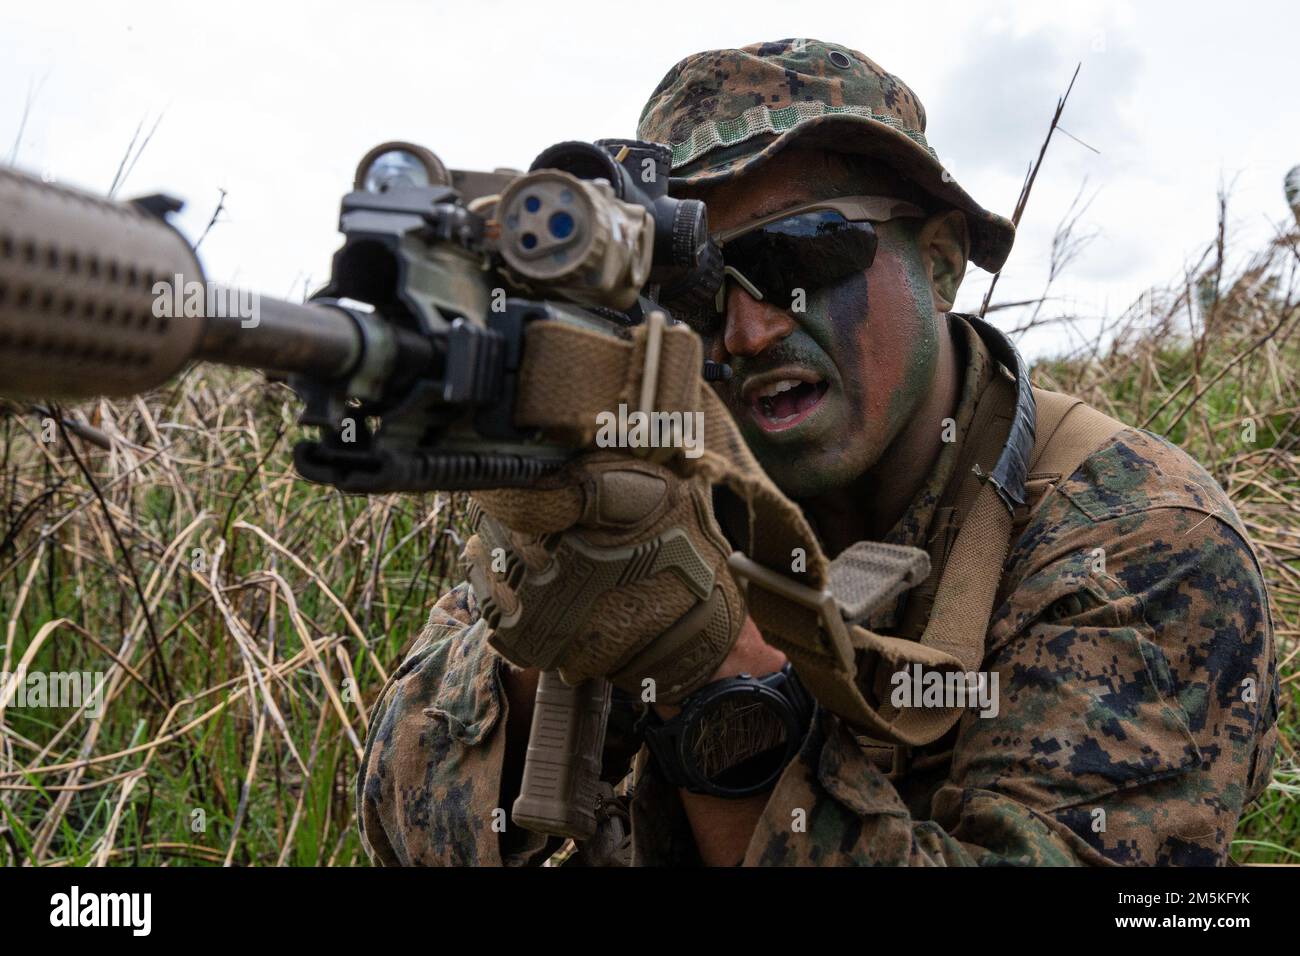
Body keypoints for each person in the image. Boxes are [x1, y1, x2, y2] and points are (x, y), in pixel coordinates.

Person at [357, 39, 1278, 867]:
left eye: (801, 256)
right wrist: (550, 623)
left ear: (943, 261)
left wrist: (715, 685)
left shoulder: (1137, 542)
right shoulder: (661, 472)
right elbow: (407, 829)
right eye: (699, 288)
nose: (749, 330)